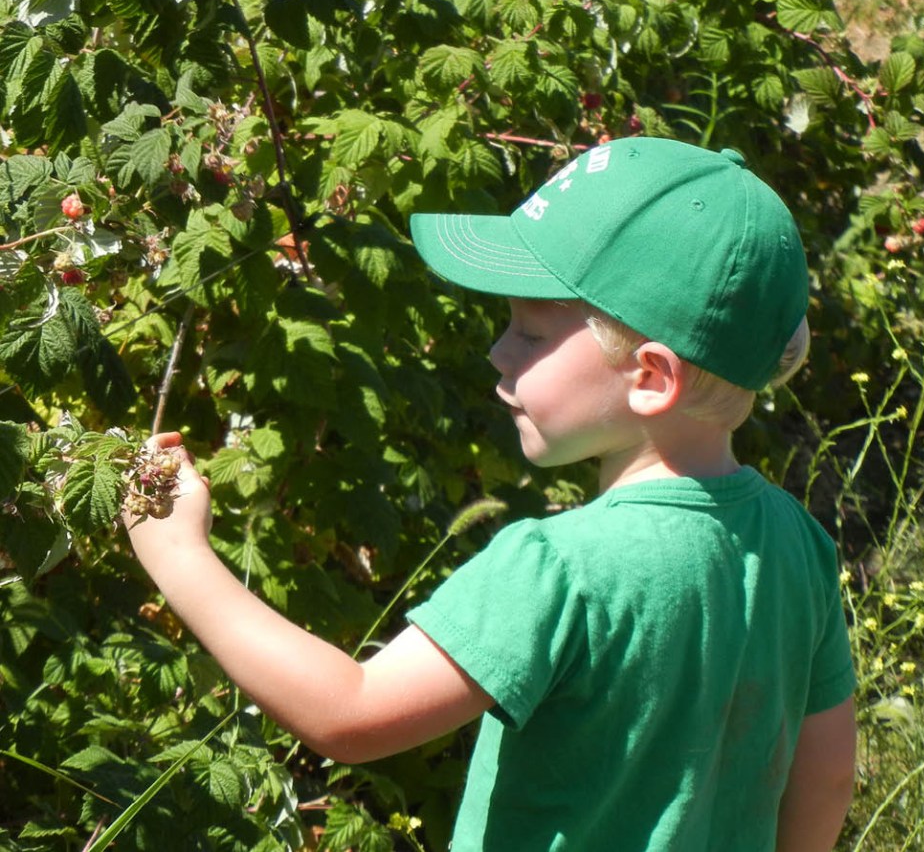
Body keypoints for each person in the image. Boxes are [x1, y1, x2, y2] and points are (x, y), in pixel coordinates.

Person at [129, 137, 856, 852]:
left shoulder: (559, 569)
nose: (497, 351)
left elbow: (348, 711)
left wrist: (181, 556)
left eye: (530, 332)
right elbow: (825, 779)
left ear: (651, 377)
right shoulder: (801, 547)